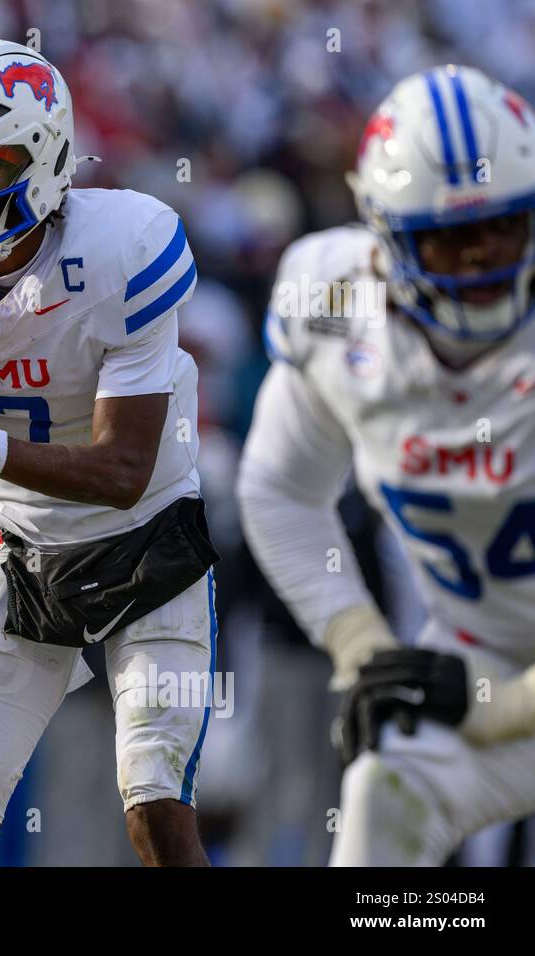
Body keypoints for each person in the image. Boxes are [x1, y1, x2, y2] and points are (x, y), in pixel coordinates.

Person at [0, 40, 218, 866]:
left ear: (44, 159)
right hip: (20, 547)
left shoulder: (123, 249)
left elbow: (122, 472)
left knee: (157, 809)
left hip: (148, 542)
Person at [238, 65, 535, 865]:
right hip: (487, 653)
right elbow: (280, 491)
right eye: (448, 237)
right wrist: (361, 642)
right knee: (385, 795)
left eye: (502, 229)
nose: (480, 261)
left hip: (496, 684)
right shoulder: (336, 303)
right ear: (385, 235)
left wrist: (496, 707)